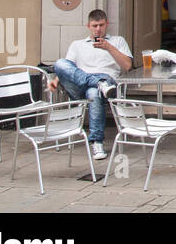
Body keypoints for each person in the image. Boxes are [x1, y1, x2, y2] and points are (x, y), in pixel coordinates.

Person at [47, 9, 133, 160]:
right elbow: (69, 69)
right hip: (79, 87)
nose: (98, 29)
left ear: (107, 24)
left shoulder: (118, 41)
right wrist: (56, 81)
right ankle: (98, 83)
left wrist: (109, 47)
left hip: (108, 83)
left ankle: (97, 142)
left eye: (101, 25)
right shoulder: (77, 44)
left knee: (93, 93)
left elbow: (127, 66)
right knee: (60, 63)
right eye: (94, 26)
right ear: (88, 26)